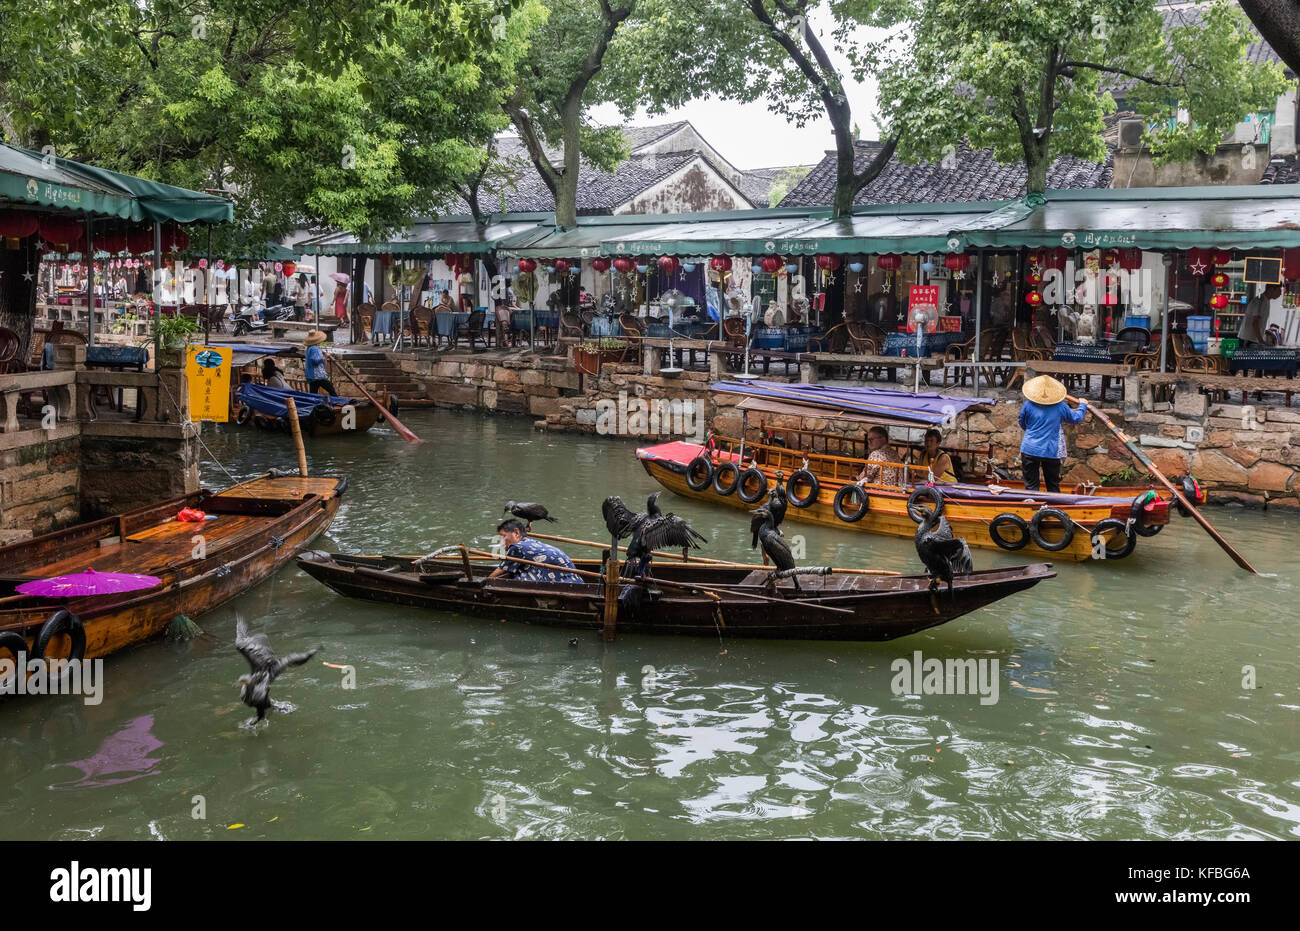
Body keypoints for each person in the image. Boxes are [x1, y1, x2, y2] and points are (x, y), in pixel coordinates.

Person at [1018, 375, 1087, 493]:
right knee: (1052, 485)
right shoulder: (1060, 406)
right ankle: (1053, 508)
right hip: (1050, 450)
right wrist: (1082, 405)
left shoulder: (1028, 405)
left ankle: (1030, 504)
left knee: (1031, 486)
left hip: (1029, 448)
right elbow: (1076, 418)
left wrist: (1032, 432)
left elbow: (1022, 423)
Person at [487, 519, 581, 584]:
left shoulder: (517, 547)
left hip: (566, 585)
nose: (502, 542)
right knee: (519, 572)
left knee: (518, 578)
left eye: (503, 536)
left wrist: (483, 583)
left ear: (516, 533)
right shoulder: (531, 543)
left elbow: (493, 576)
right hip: (577, 582)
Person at [1238, 283, 1281, 348]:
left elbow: (1258, 323)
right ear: (1271, 289)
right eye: (1279, 291)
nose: (1280, 294)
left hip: (1253, 340)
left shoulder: (1266, 301)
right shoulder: (1260, 300)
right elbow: (1255, 323)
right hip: (1247, 339)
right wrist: (1261, 341)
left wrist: (1267, 332)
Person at [303, 330, 336, 395]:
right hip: (318, 375)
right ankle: (337, 401)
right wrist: (325, 356)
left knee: (313, 392)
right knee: (331, 390)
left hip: (311, 375)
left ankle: (313, 403)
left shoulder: (309, 348)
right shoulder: (314, 348)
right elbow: (315, 360)